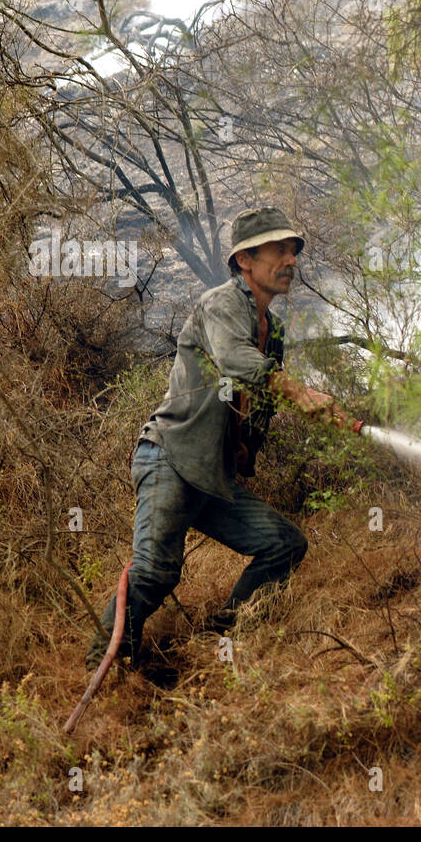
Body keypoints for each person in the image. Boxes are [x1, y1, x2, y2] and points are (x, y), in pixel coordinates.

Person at [85, 207, 357, 669]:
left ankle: (219, 638)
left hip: (210, 477)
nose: (290, 259)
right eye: (279, 250)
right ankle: (102, 668)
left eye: (293, 250)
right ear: (245, 260)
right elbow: (234, 361)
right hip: (170, 457)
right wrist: (299, 390)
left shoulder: (276, 332)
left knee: (284, 545)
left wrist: (249, 444)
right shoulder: (221, 303)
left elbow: (260, 405)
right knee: (154, 571)